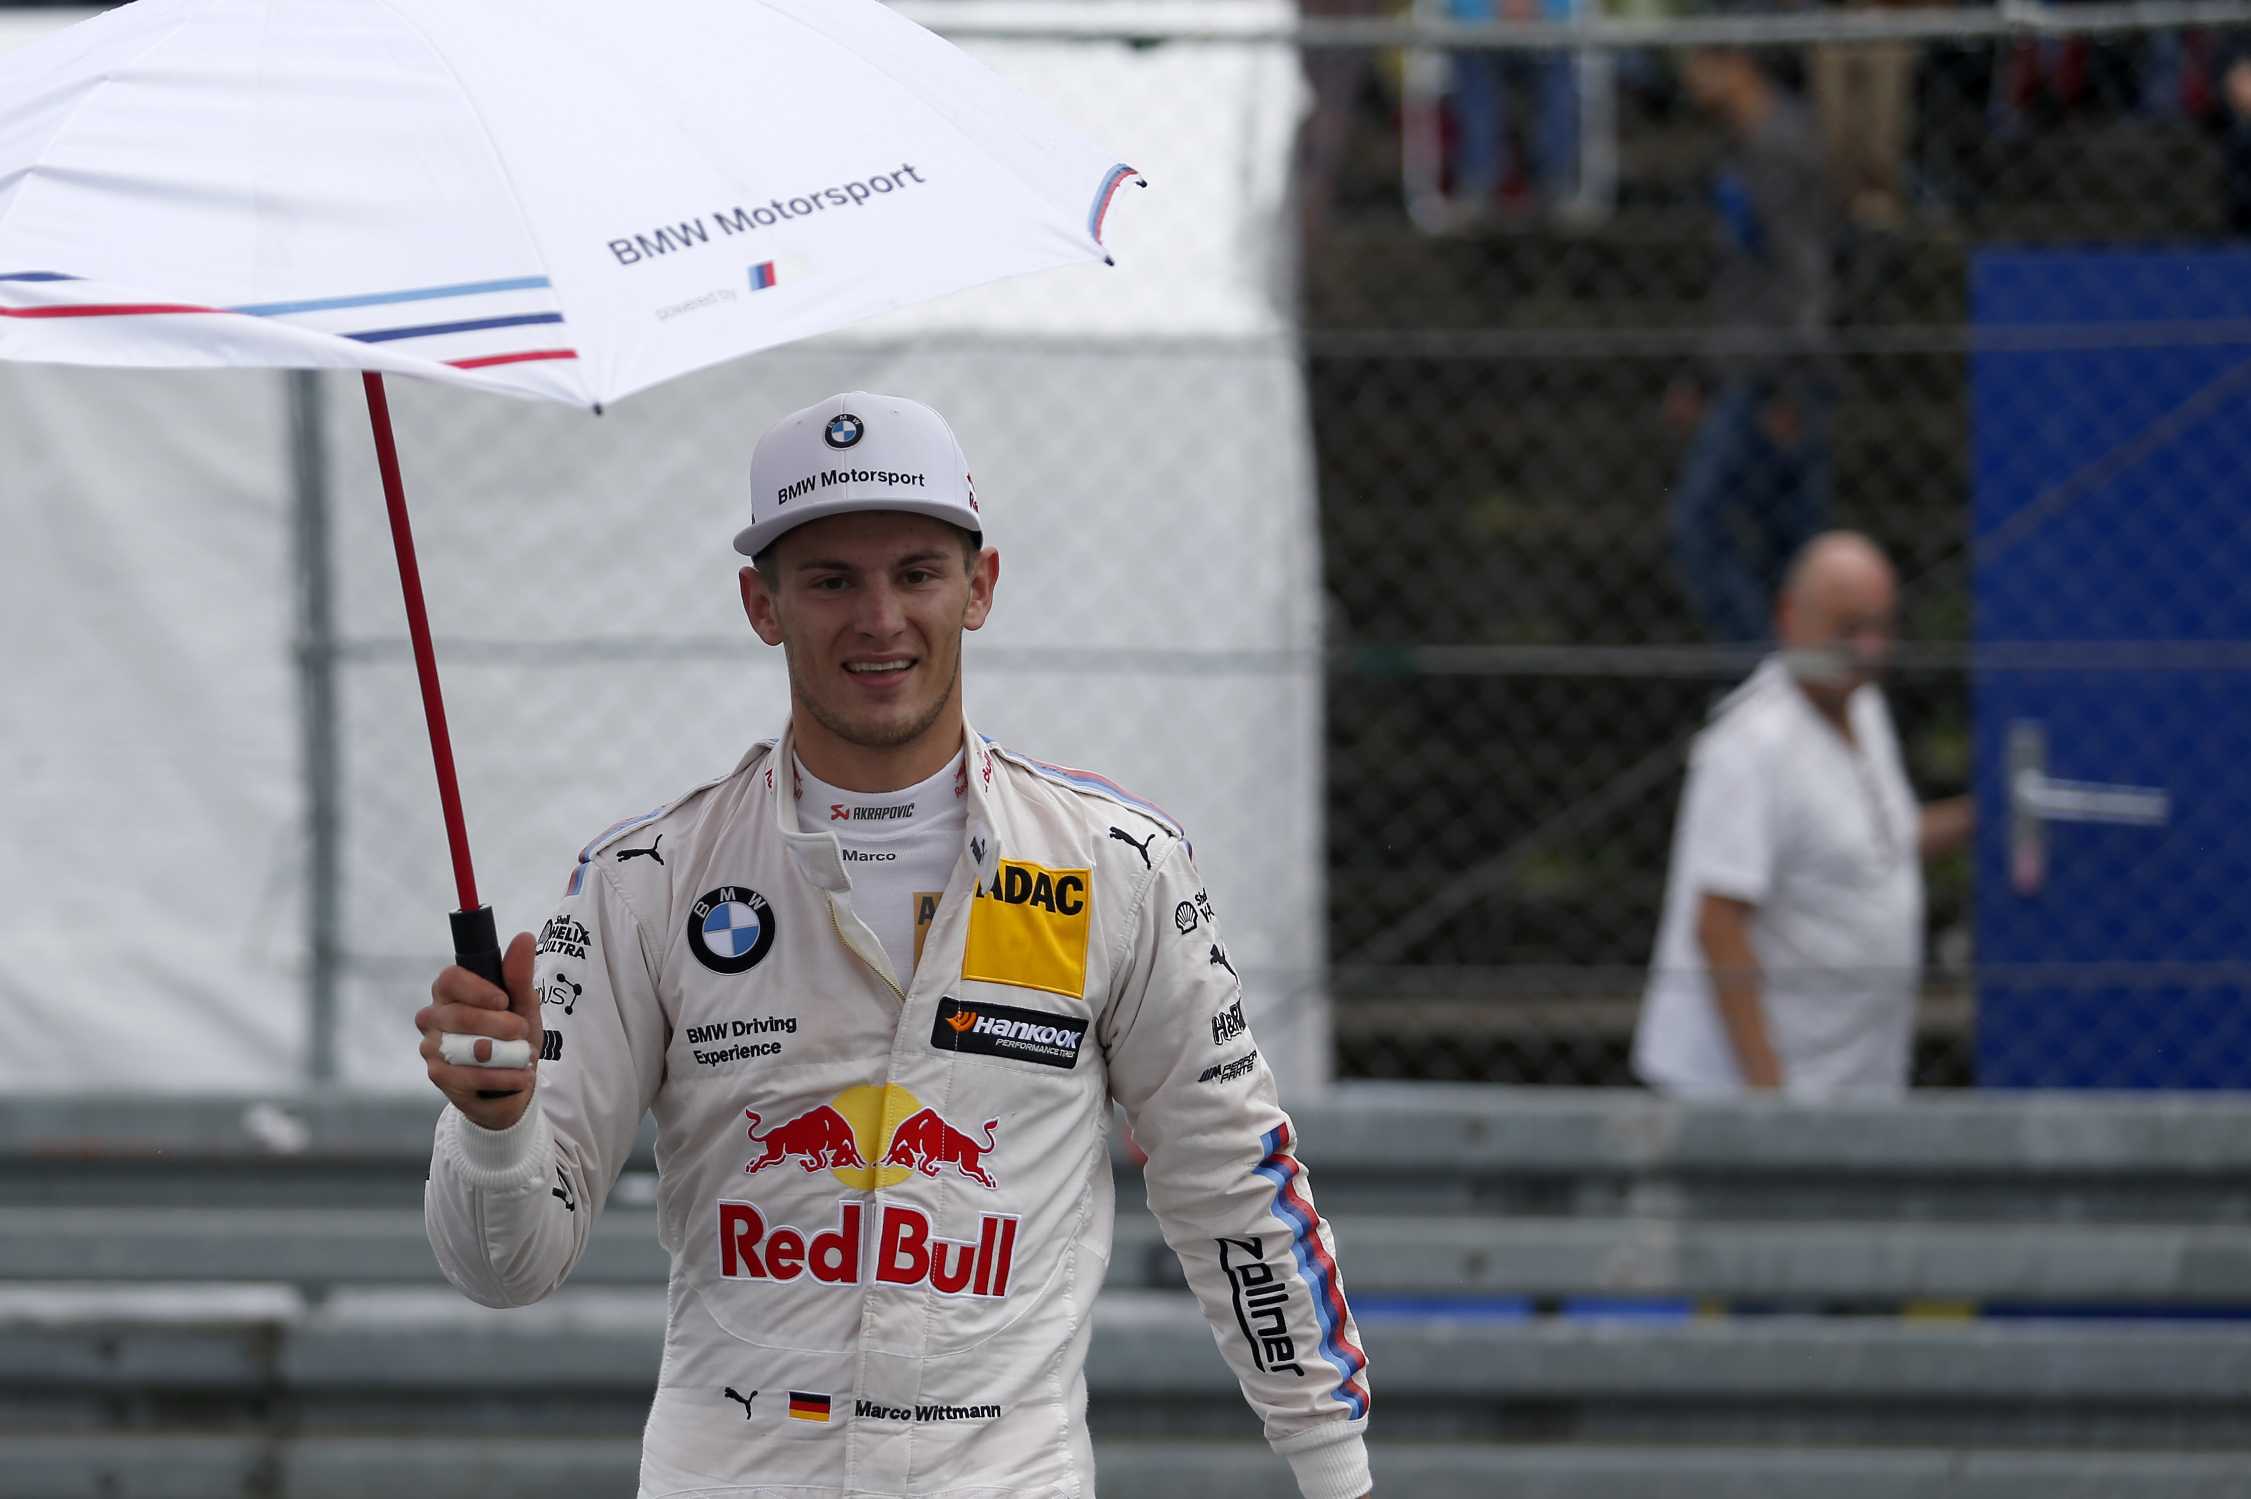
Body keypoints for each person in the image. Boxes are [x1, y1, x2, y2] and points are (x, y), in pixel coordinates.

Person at [415, 393, 1373, 1499]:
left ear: (981, 587)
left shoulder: (1118, 865)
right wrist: (494, 1127)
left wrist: (1331, 1465)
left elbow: (1233, 1183)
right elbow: (503, 1267)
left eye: (916, 571)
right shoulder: (646, 880)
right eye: (830, 580)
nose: (878, 617)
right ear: (760, 604)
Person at [1633, 532, 1973, 1098]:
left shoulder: (1863, 709)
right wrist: (1771, 1104)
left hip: (1843, 1085)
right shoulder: (1751, 745)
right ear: (1789, 617)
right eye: (1847, 628)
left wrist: (1979, 818)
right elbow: (1717, 926)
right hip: (1754, 1101)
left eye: (1879, 627)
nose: (1867, 648)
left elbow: (1880, 841)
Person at [1664, 42, 1836, 644]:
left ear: (1737, 62)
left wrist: (1793, 385)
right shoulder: (1741, 144)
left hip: (1777, 375)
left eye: (1698, 62)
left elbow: (1802, 271)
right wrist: (1702, 374)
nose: (1688, 78)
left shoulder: (1781, 146)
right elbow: (1740, 274)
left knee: (1708, 525)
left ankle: (1764, 669)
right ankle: (1780, 670)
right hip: (1747, 367)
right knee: (1774, 540)